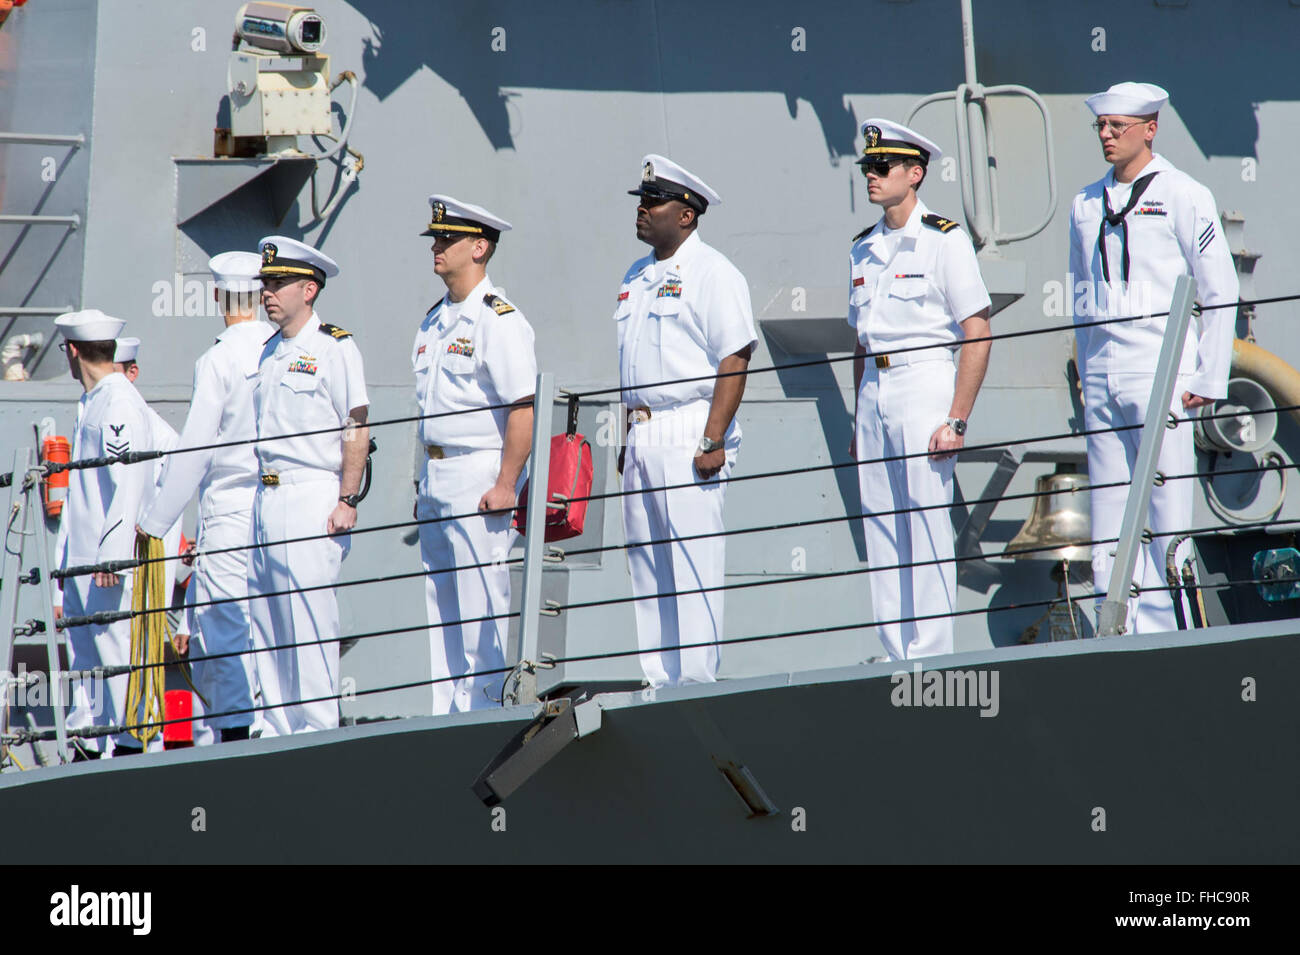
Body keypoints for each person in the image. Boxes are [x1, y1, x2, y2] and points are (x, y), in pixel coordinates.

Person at [1068, 82, 1239, 634]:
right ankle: (1115, 632)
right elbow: (1081, 292)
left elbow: (1219, 288)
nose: (1107, 135)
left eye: (1118, 126)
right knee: (1109, 513)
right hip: (1103, 370)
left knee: (1167, 511)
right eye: (1101, 126)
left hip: (1160, 364)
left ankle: (1171, 638)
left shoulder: (1185, 194)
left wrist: (1209, 376)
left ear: (1150, 128)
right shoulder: (1085, 203)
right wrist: (1083, 370)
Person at [848, 119, 992, 660]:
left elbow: (977, 331)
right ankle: (893, 649)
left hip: (925, 380)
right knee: (881, 525)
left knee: (926, 522)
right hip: (874, 392)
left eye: (882, 167)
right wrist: (857, 422)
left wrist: (956, 418)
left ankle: (929, 652)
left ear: (915, 173)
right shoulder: (862, 248)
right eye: (868, 167)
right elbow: (860, 343)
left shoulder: (944, 239)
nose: (872, 175)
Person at [616, 154, 756, 687]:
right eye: (642, 201)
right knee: (647, 565)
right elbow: (629, 363)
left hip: (688, 426)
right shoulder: (635, 275)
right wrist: (627, 440)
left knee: (692, 564)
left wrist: (713, 437)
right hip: (644, 431)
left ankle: (695, 684)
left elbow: (734, 357)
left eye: (654, 202)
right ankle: (659, 681)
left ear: (687, 215)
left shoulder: (713, 272)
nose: (643, 210)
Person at [136, 251, 266, 742]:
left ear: (218, 296)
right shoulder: (282, 349)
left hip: (230, 510)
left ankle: (233, 748)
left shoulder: (218, 359)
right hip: (277, 508)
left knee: (224, 631)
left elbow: (194, 449)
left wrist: (155, 521)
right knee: (268, 630)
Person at [413, 196, 536, 714]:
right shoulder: (434, 320)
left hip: (479, 472)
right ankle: (448, 713)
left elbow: (523, 408)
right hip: (437, 476)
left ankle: (485, 710)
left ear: (479, 248)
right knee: (441, 600)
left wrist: (507, 483)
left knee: (481, 600)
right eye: (437, 238)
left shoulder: (499, 319)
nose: (437, 247)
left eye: (448, 239)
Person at [247, 235, 369, 735]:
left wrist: (347, 498)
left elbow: (356, 426)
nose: (267, 292)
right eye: (265, 283)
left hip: (311, 494)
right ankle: (273, 730)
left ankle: (316, 730)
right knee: (267, 619)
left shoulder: (334, 347)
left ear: (309, 289)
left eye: (278, 283)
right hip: (266, 496)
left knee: (309, 620)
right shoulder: (269, 351)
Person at [51, 309, 155, 758]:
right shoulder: (91, 401)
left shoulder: (118, 402)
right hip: (82, 565)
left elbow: (128, 479)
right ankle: (86, 756)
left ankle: (134, 757)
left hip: (105, 566)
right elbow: (81, 493)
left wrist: (113, 554)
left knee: (119, 664)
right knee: (88, 669)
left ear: (73, 351)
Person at [114, 337, 183, 618]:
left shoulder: (162, 437)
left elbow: (168, 513)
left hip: (134, 576)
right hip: (90, 573)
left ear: (132, 374)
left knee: (134, 658)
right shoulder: (89, 420)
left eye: (113, 372)